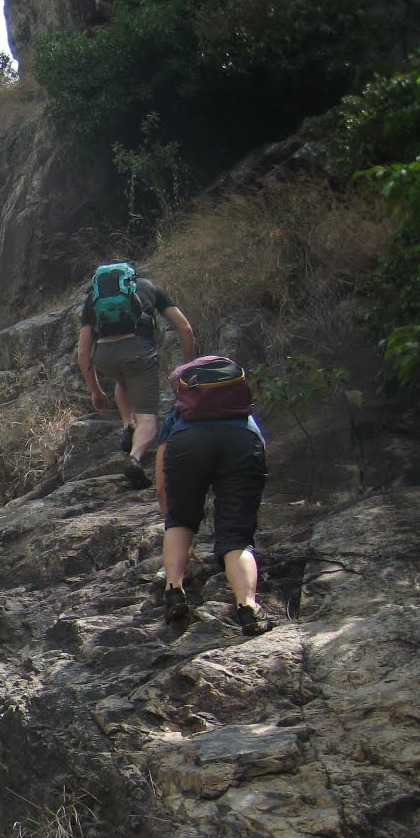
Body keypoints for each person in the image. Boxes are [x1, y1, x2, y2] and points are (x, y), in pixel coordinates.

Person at [153, 362, 274, 637]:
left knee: (180, 522)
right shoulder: (245, 417)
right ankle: (248, 607)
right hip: (242, 443)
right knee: (236, 538)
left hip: (186, 445)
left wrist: (170, 515)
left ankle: (174, 591)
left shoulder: (178, 417)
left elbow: (162, 484)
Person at [76, 262, 195, 489]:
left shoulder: (94, 297)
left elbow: (83, 351)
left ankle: (128, 425)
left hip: (104, 356)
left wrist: (96, 390)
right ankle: (135, 458)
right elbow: (185, 328)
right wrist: (187, 368)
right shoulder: (149, 287)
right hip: (138, 353)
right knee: (148, 419)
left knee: (124, 380)